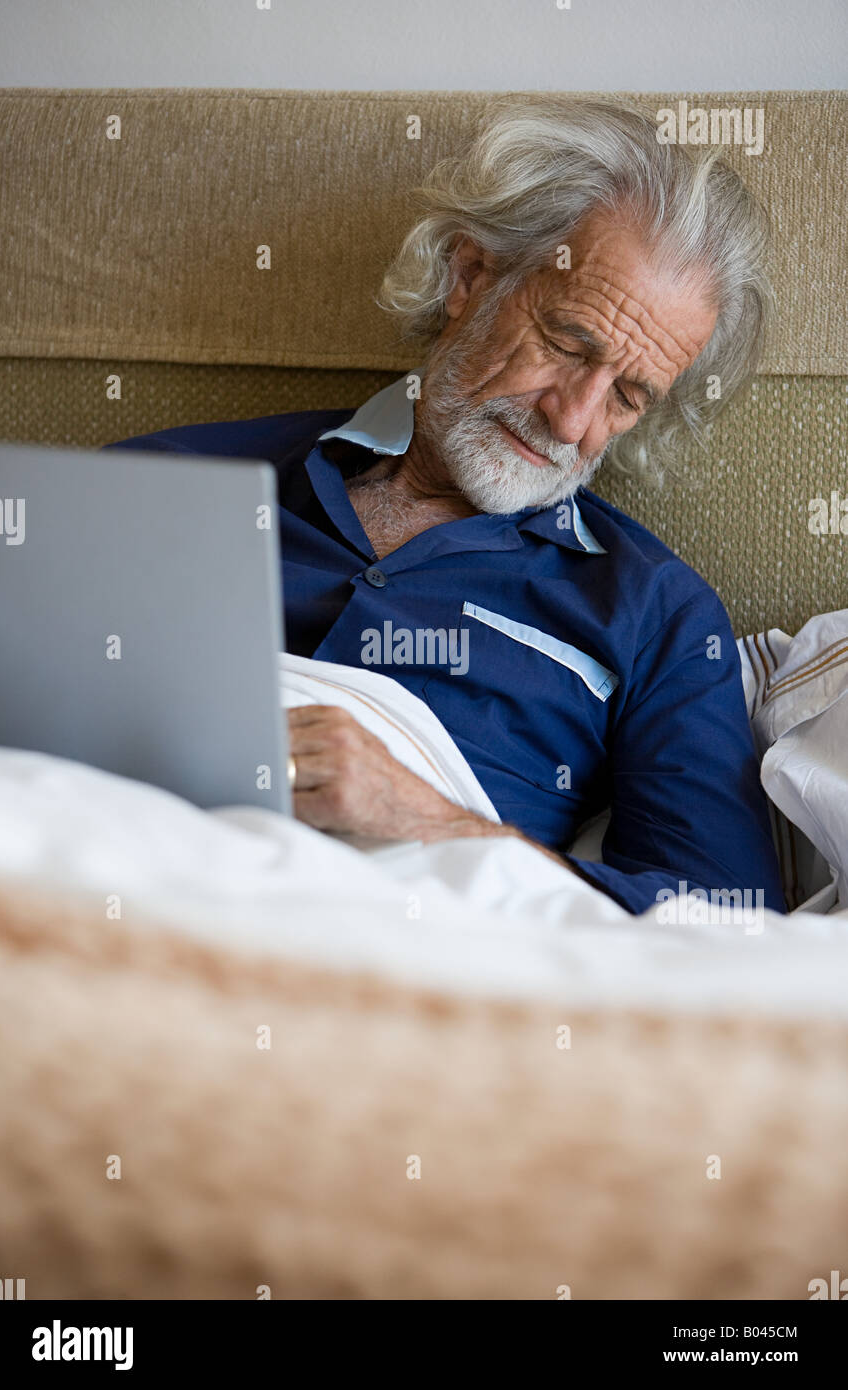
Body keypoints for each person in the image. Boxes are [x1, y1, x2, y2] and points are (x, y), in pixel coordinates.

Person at [107, 99, 785, 915]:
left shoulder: (658, 616)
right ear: (471, 276)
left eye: (629, 396)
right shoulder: (166, 483)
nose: (573, 422)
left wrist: (429, 822)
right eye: (568, 345)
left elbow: (725, 923)